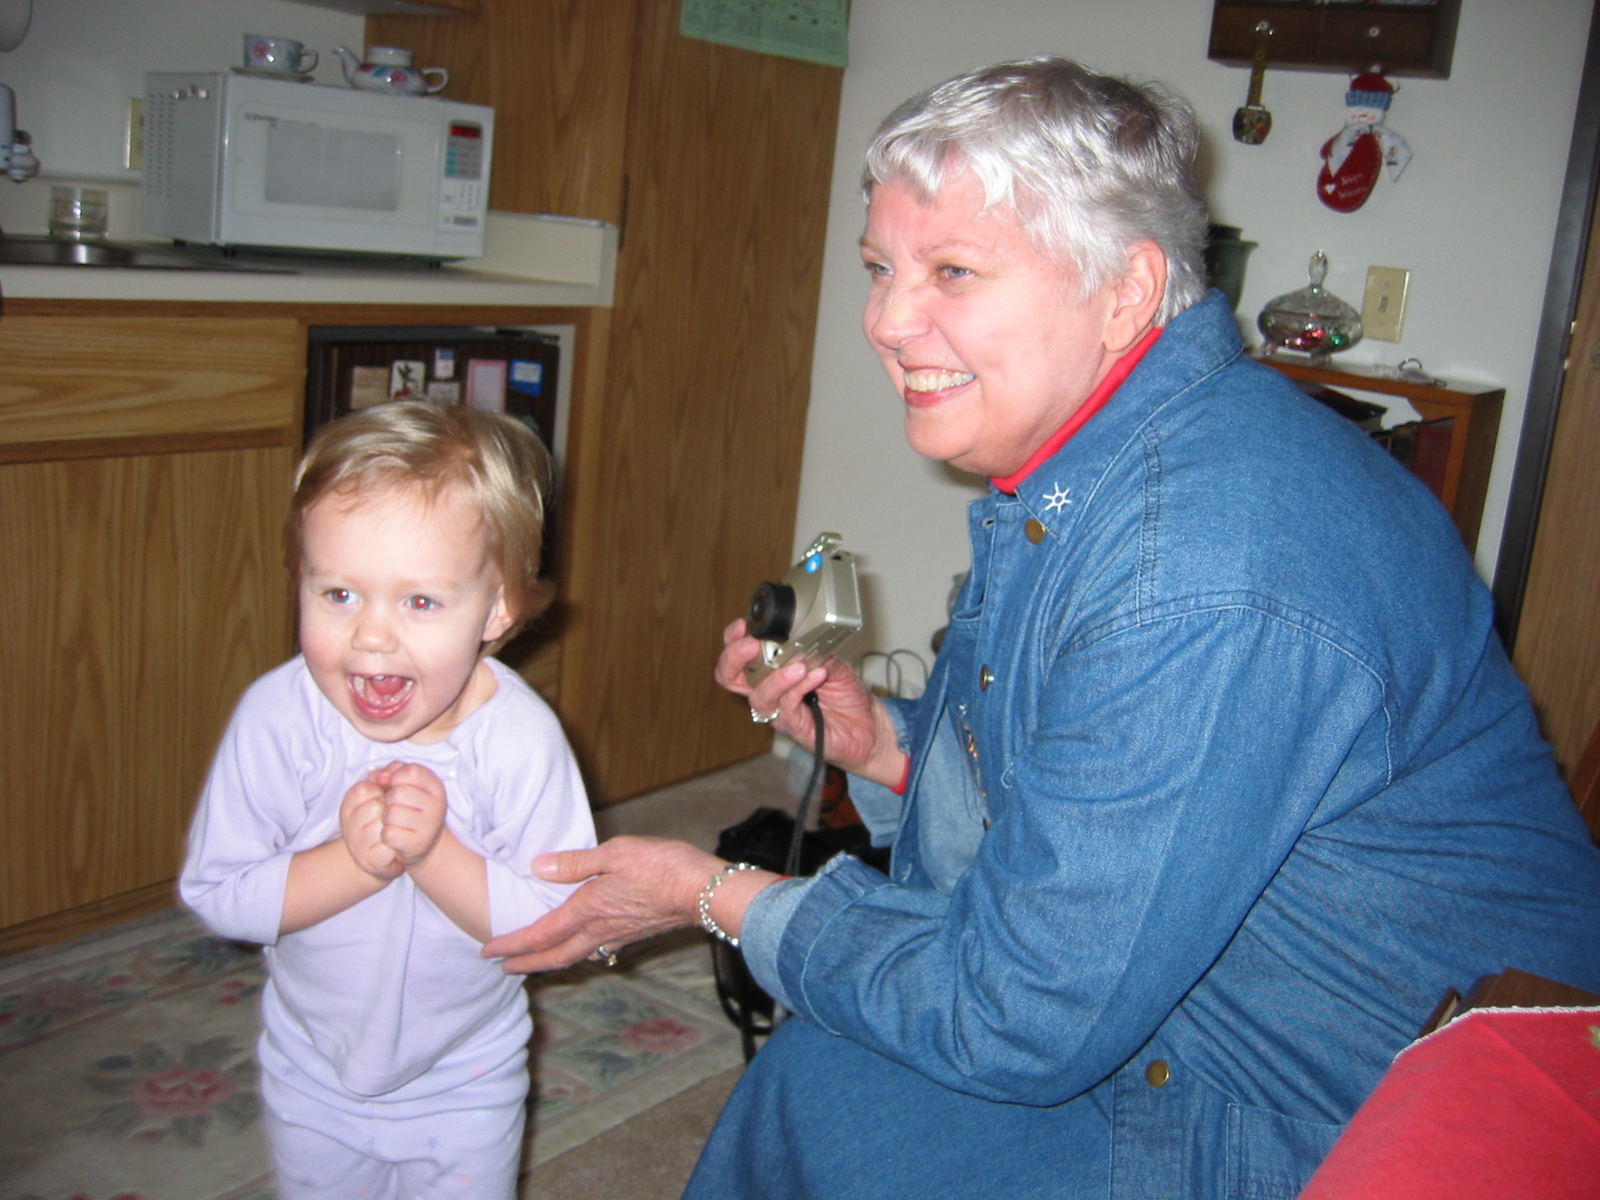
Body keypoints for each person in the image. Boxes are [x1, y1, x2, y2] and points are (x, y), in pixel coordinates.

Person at [482, 57, 1600, 1199]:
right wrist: (893, 749)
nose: (883, 318)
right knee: (824, 1074)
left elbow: (1012, 1017)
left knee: (842, 1089)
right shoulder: (1100, 464)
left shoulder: (1201, 565)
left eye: (951, 270)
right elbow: (1091, 782)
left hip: (1348, 1095)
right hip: (1211, 1002)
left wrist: (707, 890)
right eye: (880, 268)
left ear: (1124, 290)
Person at [181, 400, 595, 1199]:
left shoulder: (520, 742)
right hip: (310, 1069)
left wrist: (432, 857)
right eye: (338, 594)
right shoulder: (278, 719)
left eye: (420, 602)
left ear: (498, 609)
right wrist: (354, 864)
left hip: (466, 1076)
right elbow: (221, 894)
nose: (371, 636)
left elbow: (556, 924)